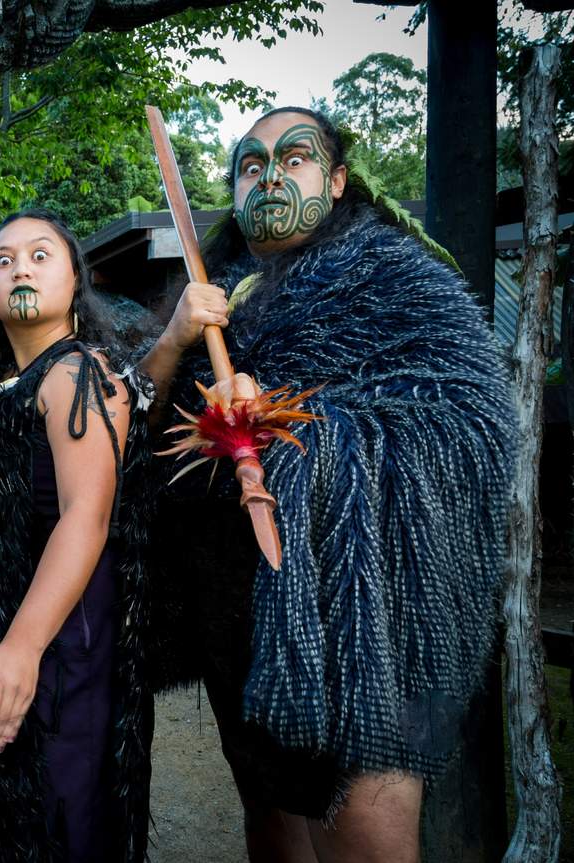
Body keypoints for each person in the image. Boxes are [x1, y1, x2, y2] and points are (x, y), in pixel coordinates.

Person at [149, 106, 516, 863]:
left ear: (338, 178)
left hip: (365, 621)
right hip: (240, 616)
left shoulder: (395, 276)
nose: (271, 175)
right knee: (271, 829)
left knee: (365, 844)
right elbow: (143, 448)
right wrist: (185, 361)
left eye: (294, 158)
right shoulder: (211, 297)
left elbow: (469, 428)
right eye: (251, 165)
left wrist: (286, 422)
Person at [0, 208, 222, 862]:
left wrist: (22, 646)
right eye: (1, 260)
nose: (19, 268)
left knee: (61, 825)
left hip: (62, 648)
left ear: (73, 280)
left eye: (39, 255)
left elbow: (85, 514)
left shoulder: (78, 373)